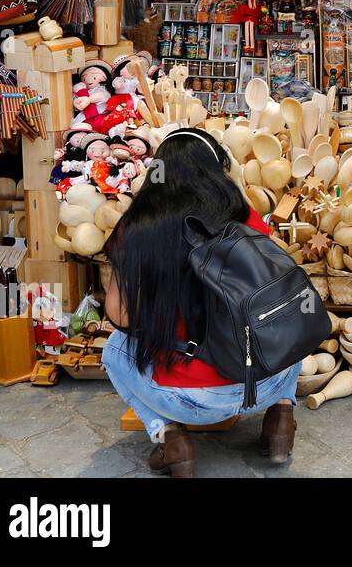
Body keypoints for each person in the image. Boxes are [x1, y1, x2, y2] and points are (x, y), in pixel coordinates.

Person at [101, 128, 302, 478]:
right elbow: (277, 290)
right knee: (289, 318)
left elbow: (120, 315)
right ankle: (281, 417)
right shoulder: (245, 218)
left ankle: (171, 438)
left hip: (187, 399)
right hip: (262, 385)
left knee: (114, 350)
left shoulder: (134, 230)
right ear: (217, 171)